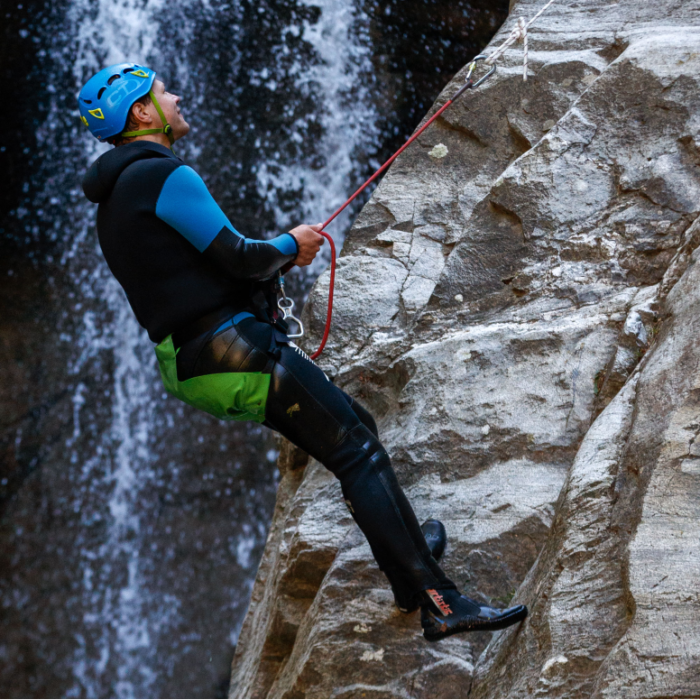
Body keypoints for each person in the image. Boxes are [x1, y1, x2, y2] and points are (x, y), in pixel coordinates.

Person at [78, 63, 527, 641]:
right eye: (163, 93)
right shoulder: (163, 175)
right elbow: (241, 257)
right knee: (358, 452)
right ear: (141, 113)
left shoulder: (114, 198)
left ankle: (406, 557)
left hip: (199, 361)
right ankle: (441, 602)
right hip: (233, 350)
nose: (177, 96)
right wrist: (293, 244)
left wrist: (279, 257)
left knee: (353, 428)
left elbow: (193, 274)